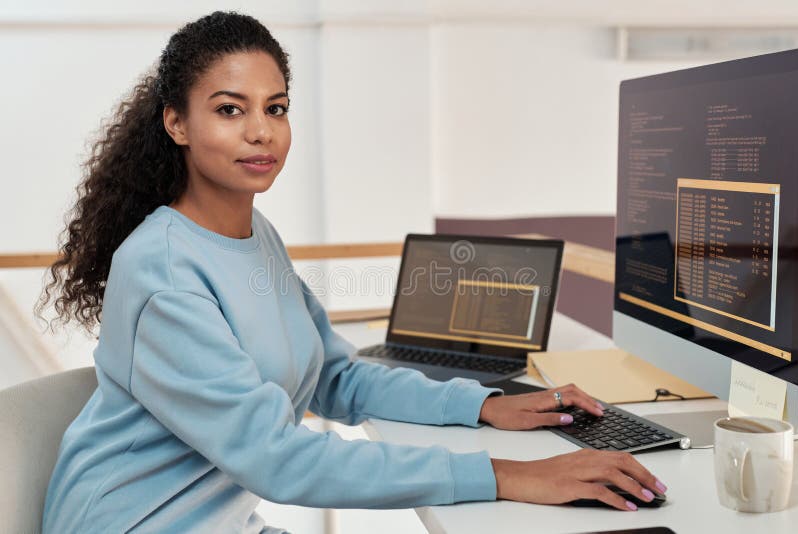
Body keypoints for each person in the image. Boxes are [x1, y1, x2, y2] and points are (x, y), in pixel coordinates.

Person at [36, 11, 666, 533]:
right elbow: (277, 460)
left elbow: (333, 376)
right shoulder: (162, 273)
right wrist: (507, 475)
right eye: (230, 110)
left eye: (276, 108)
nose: (261, 132)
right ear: (177, 122)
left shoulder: (254, 235)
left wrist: (485, 406)